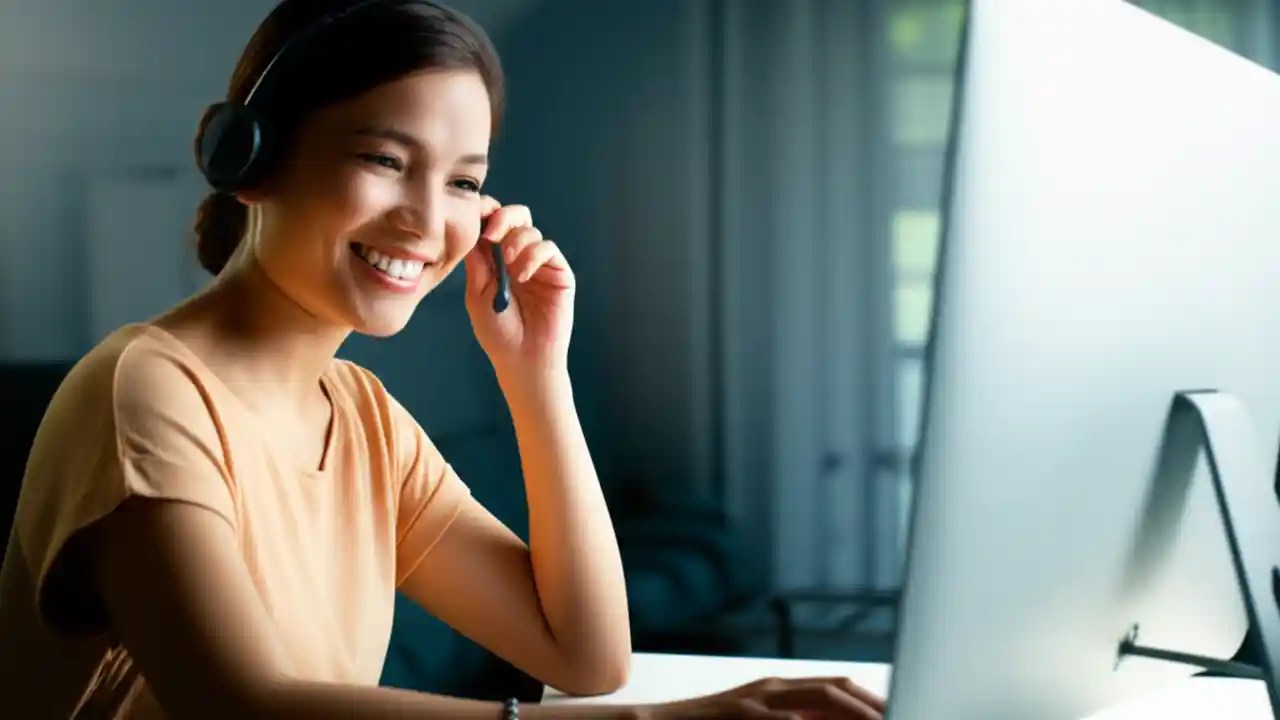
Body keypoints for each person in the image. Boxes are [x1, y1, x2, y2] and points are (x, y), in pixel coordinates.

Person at [0, 1, 887, 718]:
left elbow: (585, 655)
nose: (429, 220)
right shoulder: (148, 388)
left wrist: (536, 376)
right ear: (249, 157)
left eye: (464, 180)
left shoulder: (363, 418)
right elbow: (241, 706)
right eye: (385, 159)